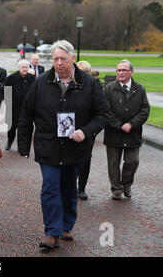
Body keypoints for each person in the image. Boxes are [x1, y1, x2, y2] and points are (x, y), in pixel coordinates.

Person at [17, 40, 108, 249]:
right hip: (48, 146)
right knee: (50, 188)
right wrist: (23, 145)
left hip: (76, 148)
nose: (59, 63)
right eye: (55, 59)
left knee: (68, 188)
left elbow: (102, 115)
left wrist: (85, 132)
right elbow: (26, 114)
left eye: (63, 59)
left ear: (72, 58)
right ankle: (52, 232)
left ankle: (66, 226)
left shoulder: (90, 83)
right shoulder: (40, 82)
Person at [103, 59, 150, 200]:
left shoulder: (140, 89)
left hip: (133, 133)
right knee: (113, 163)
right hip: (113, 133)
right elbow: (105, 110)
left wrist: (132, 123)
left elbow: (145, 109)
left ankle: (127, 184)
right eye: (118, 70)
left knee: (133, 161)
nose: (120, 73)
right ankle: (116, 189)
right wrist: (119, 125)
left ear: (131, 72)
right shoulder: (109, 88)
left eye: (124, 70)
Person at [75, 60, 98, 200]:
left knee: (86, 158)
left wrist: (91, 129)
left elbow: (100, 110)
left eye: (83, 71)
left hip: (88, 129)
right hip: (70, 127)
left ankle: (81, 188)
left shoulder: (94, 86)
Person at [4, 59, 35, 151]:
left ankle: (21, 147)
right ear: (19, 68)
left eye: (26, 67)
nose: (25, 69)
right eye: (23, 67)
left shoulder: (32, 78)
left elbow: (34, 92)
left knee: (24, 128)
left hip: (26, 108)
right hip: (14, 108)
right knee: (12, 127)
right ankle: (9, 141)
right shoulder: (11, 78)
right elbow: (6, 93)